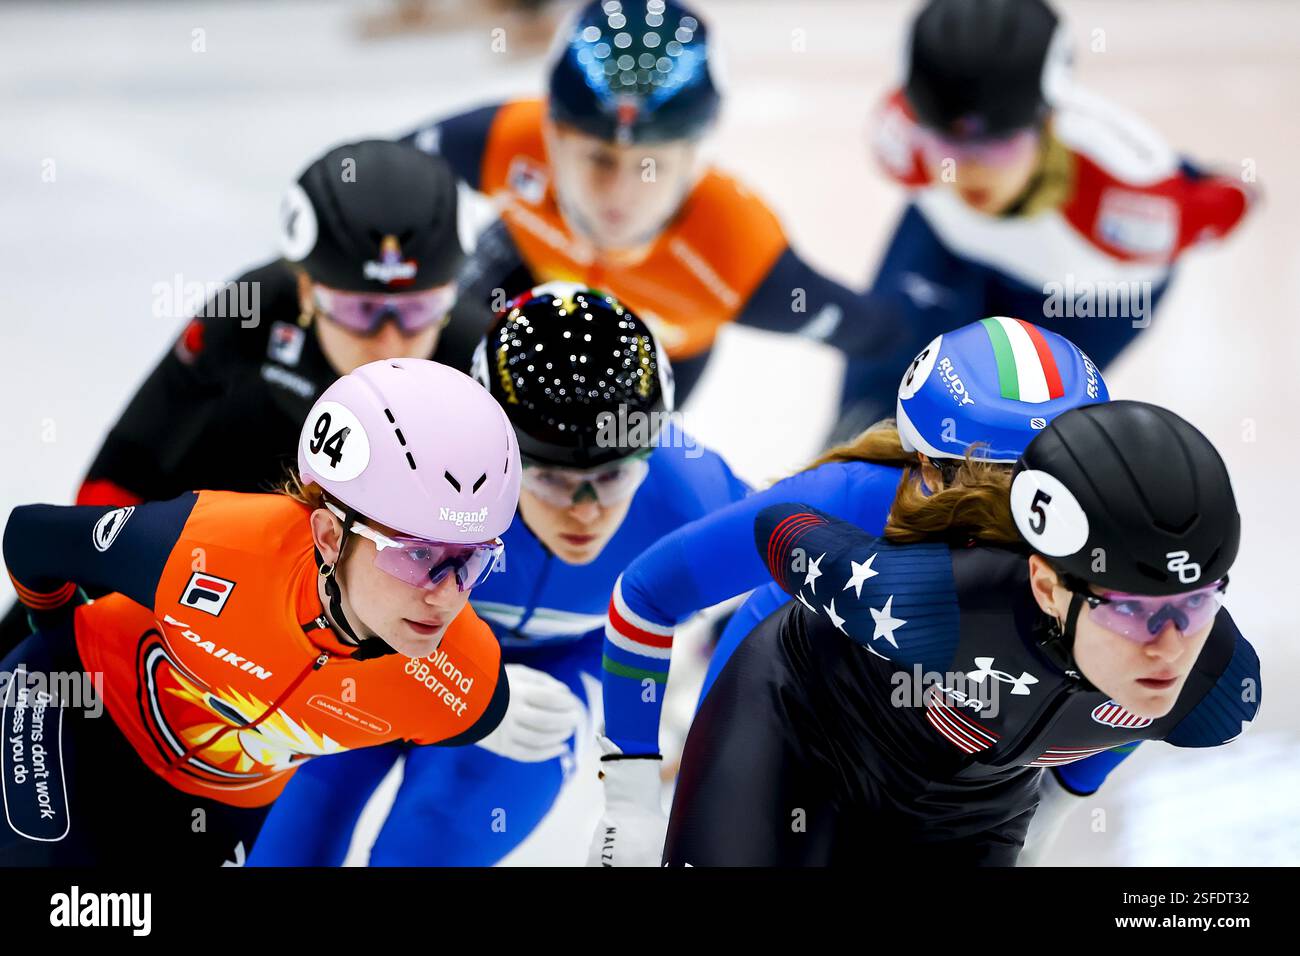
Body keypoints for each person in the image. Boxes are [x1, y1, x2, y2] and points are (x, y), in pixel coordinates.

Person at [246, 284, 750, 866]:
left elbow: (788, 583)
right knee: (296, 830)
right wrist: (464, 689)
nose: (584, 510)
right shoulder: (409, 462)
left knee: (429, 846)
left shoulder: (696, 502)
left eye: (613, 478)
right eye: (550, 480)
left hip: (554, 669)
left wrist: (714, 720)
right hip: (381, 648)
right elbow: (298, 588)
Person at [593, 315, 1123, 865]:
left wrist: (1056, 805)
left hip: (943, 776)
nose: (1019, 517)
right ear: (925, 464)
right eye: (988, 481)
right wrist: (629, 802)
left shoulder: (1103, 539)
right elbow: (648, 593)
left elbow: (1155, 682)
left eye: (1047, 484)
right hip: (788, 737)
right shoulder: (850, 499)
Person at [662, 400, 1258, 865]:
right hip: (802, 737)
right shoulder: (943, 603)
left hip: (967, 812)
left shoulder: (1212, 686)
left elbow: (1134, 721)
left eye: (1196, 602)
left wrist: (1061, 801)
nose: (1170, 645)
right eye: (1129, 608)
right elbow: (782, 529)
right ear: (1047, 587)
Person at [0, 360, 519, 865]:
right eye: (418, 555)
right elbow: (30, 536)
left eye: (472, 560)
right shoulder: (208, 545)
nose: (449, 596)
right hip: (74, 710)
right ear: (331, 537)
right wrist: (56, 629)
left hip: (217, 803)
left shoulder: (466, 687)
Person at [0, 139, 469, 653]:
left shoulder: (474, 352)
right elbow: (130, 461)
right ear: (308, 291)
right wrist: (91, 579)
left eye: (419, 310)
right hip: (213, 534)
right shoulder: (249, 315)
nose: (389, 338)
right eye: (360, 310)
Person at [401, 0, 900, 403]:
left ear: (694, 162)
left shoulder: (741, 258)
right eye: (598, 159)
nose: (617, 196)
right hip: (528, 270)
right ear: (551, 139)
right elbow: (365, 177)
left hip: (655, 353)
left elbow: (886, 335)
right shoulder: (510, 141)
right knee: (431, 372)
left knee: (592, 459)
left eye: (651, 166)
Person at [833, 0, 1256, 439]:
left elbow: (1231, 202)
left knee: (994, 439)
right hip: (950, 246)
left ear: (1049, 122)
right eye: (945, 145)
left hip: (1087, 297)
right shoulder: (899, 140)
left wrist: (1228, 188)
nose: (968, 171)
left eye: (997, 146)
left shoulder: (1129, 201)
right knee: (873, 417)